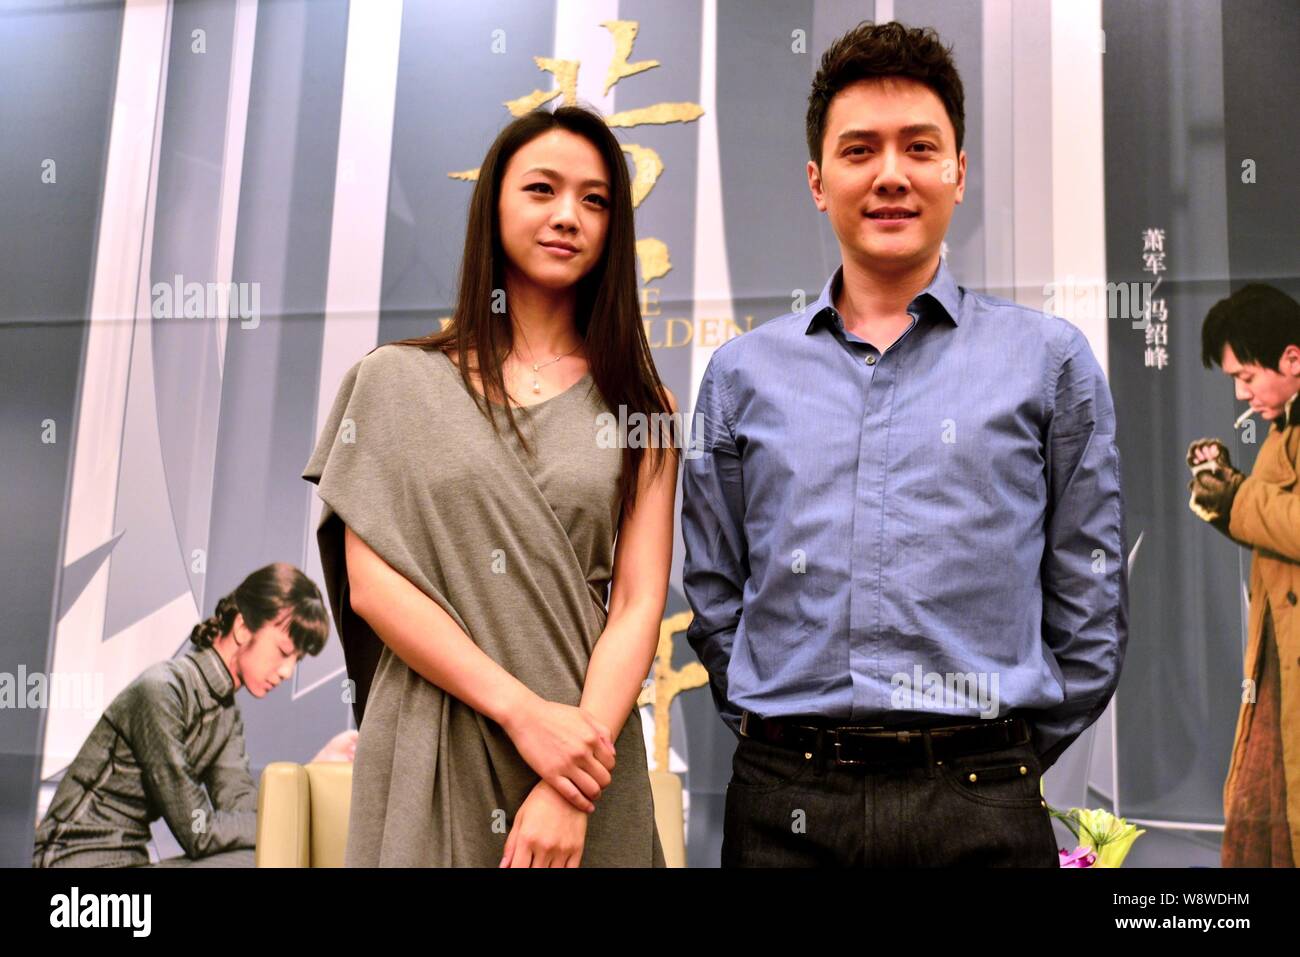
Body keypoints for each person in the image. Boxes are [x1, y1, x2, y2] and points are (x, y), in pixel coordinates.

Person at [681, 20, 1128, 867]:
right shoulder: (742, 374)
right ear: (818, 180)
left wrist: (1002, 757)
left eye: (919, 147)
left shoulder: (1049, 361)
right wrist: (781, 722)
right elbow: (712, 590)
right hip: (788, 804)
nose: (891, 174)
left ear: (959, 172)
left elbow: (1091, 598)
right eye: (860, 150)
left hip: (981, 802)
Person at [303, 105, 677, 867]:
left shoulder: (645, 405)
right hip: (433, 736)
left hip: (585, 749)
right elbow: (374, 590)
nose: (568, 215)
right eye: (541, 189)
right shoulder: (394, 383)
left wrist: (571, 776)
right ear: (493, 206)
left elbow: (639, 603)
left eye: (595, 199)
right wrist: (521, 713)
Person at [32, 562, 351, 868]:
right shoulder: (161, 691)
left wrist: (312, 771)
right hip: (71, 867)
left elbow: (242, 806)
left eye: (297, 660)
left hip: (130, 864)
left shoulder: (224, 713)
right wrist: (276, 822)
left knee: (271, 853)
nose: (286, 671)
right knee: (265, 857)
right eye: (283, 652)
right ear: (242, 627)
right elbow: (199, 831)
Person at [1187, 282, 1300, 868]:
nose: (1241, 393)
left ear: (1292, 358)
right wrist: (1223, 497)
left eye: (1248, 376)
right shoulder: (1284, 431)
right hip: (1278, 657)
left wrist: (1234, 497)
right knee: (1264, 821)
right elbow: (1273, 526)